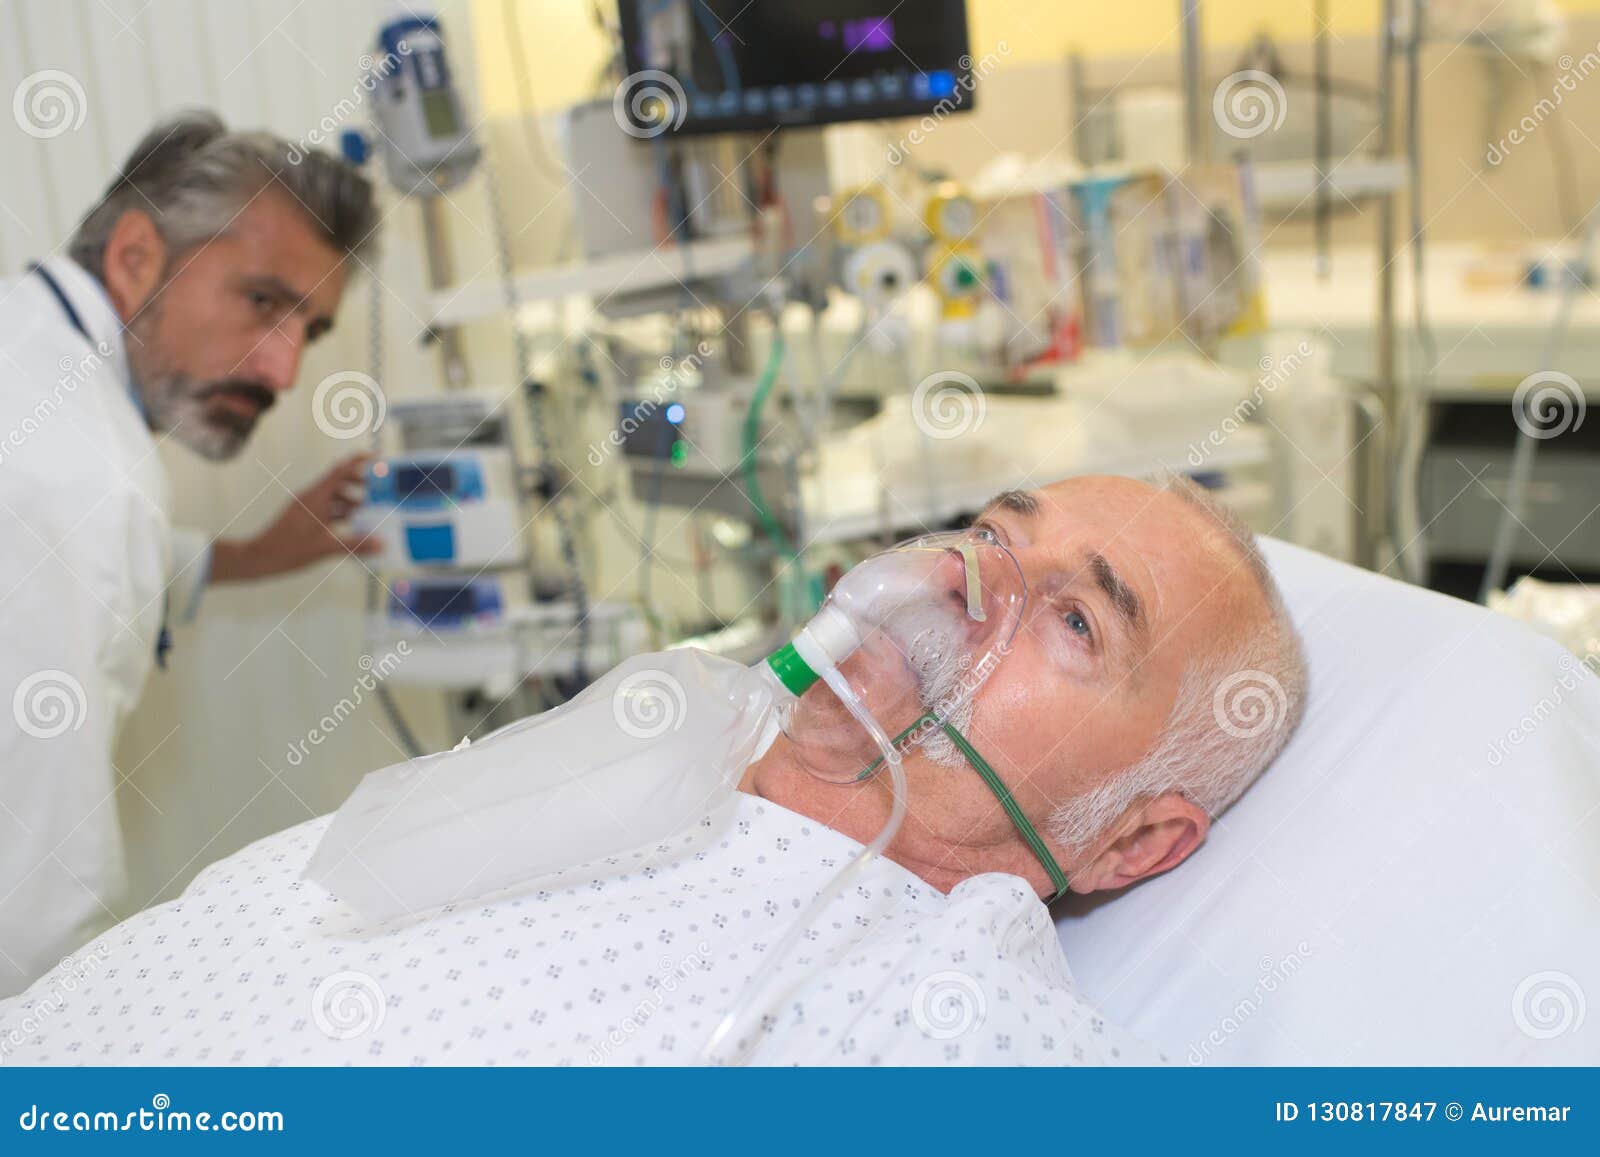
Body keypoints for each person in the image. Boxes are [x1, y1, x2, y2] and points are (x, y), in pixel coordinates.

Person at [0, 475, 1308, 1065]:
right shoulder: (674, 725)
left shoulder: (939, 993)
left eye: (1078, 621)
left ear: (1132, 845)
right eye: (990, 531)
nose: (969, 582)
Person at [0, 113, 381, 998]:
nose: (283, 372)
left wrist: (250, 554)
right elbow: (36, 907)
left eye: (310, 331)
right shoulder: (81, 476)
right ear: (137, 259)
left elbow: (67, 576)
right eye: (261, 301)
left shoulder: (30, 362)